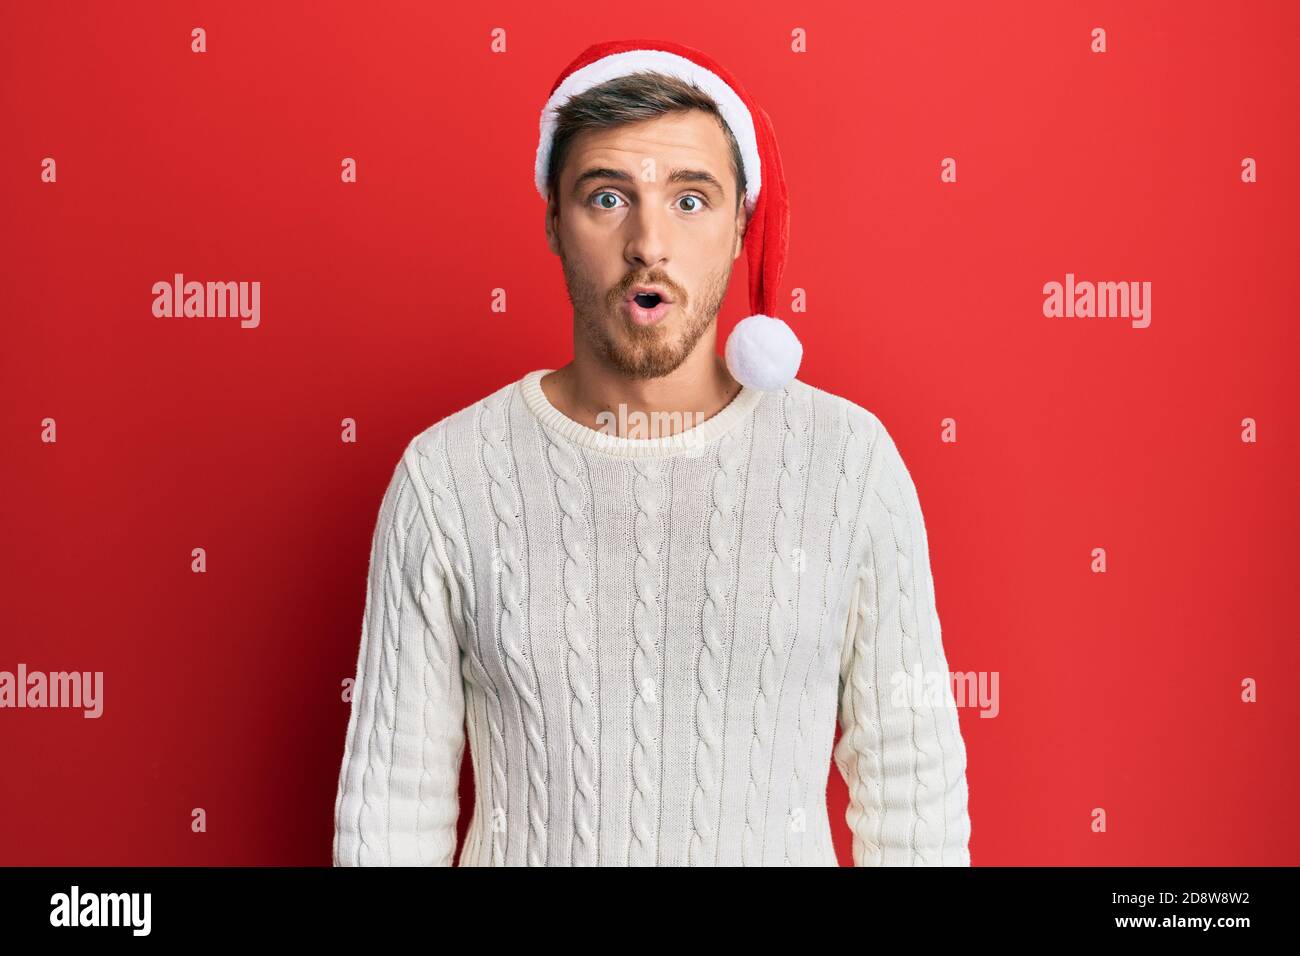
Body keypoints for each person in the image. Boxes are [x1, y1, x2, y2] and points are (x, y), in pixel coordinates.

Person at [331, 39, 970, 866]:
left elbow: (912, 790)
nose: (649, 243)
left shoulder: (850, 466)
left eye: (691, 200)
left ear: (742, 226)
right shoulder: (446, 479)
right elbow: (392, 807)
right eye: (607, 197)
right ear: (554, 223)